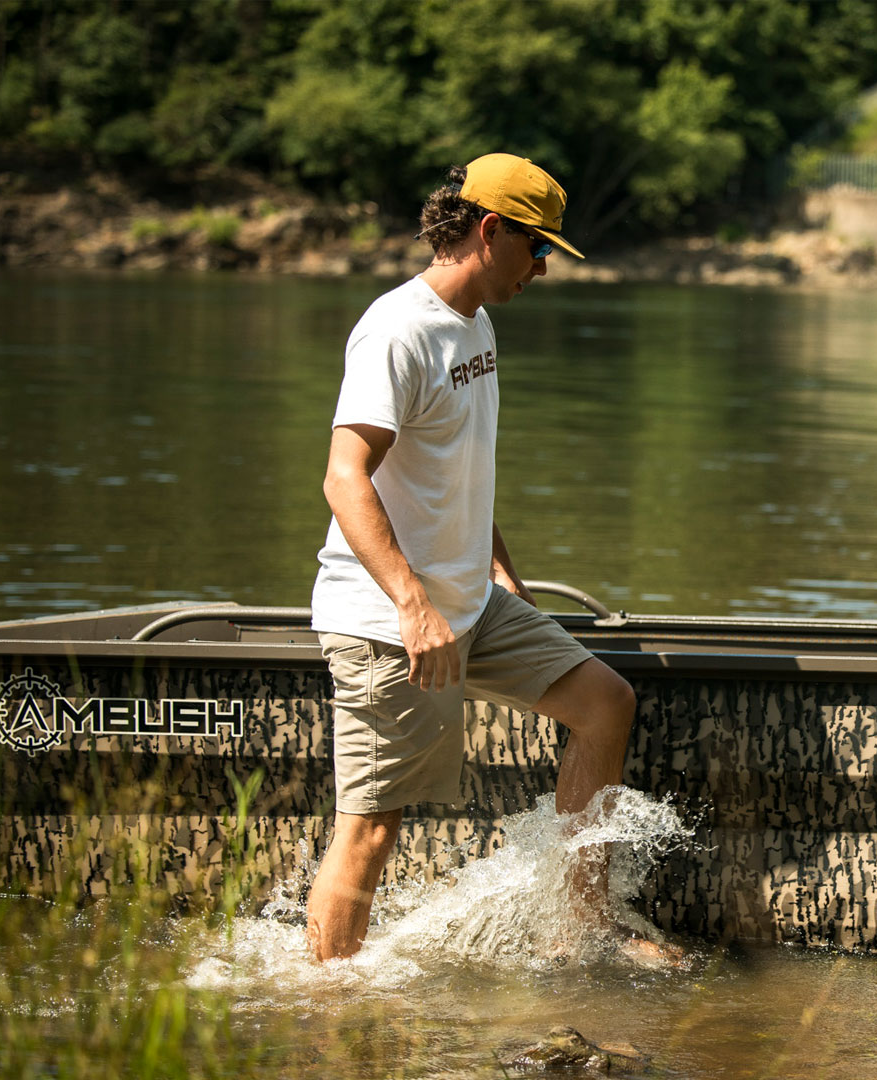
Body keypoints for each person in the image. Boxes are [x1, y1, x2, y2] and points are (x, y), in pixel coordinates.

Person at [305, 153, 638, 961]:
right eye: (539, 247)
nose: (545, 266)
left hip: (471, 604)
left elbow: (455, 470)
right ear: (491, 231)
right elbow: (344, 479)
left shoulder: (477, 325)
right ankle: (322, 1008)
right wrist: (414, 606)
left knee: (606, 703)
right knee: (372, 831)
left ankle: (581, 929)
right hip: (390, 618)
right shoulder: (398, 330)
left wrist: (498, 573)